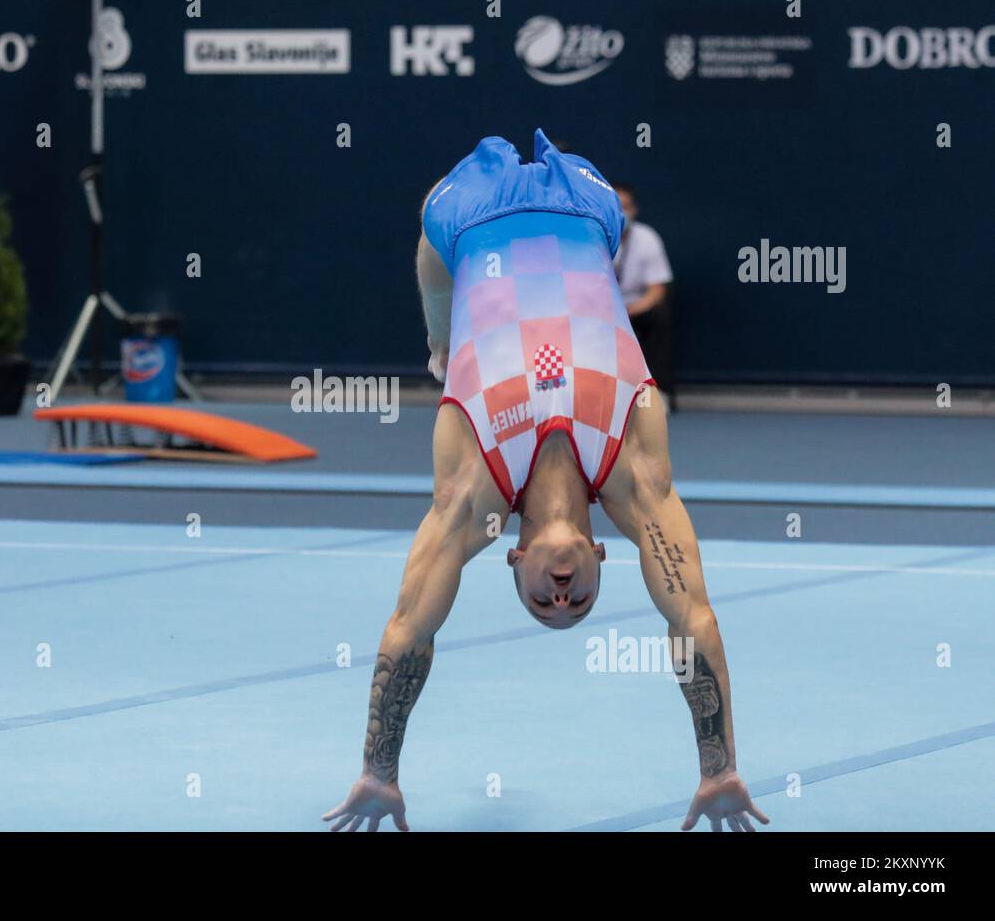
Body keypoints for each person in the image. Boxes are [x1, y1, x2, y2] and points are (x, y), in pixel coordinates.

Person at [324, 130, 767, 832]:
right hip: (584, 213)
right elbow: (690, 617)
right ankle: (447, 333)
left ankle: (442, 338)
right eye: (578, 602)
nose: (561, 597)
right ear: (600, 558)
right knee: (586, 226)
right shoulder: (633, 474)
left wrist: (379, 771)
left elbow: (410, 625)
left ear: (513, 557)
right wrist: (719, 767)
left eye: (543, 602)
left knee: (435, 260)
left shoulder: (475, 492)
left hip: (466, 222)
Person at [612, 182, 675, 402]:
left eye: (626, 206)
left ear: (634, 209)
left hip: (636, 309)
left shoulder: (647, 238)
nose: (622, 213)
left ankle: (660, 393)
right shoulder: (593, 238)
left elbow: (657, 291)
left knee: (660, 315)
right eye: (616, 206)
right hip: (602, 310)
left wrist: (628, 311)